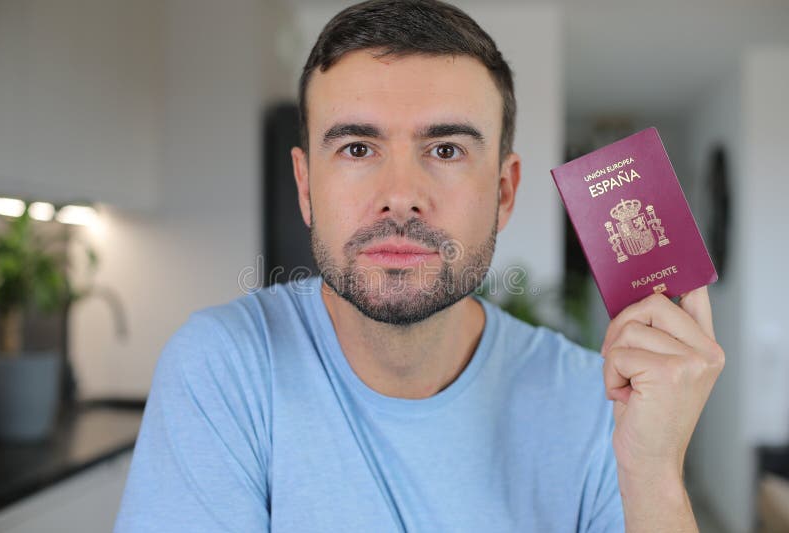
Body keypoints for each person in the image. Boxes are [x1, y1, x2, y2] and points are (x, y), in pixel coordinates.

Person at [114, 1, 725, 531]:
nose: (400, 194)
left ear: (505, 192)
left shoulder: (593, 403)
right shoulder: (222, 366)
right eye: (357, 148)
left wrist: (654, 474)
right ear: (305, 187)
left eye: (445, 149)